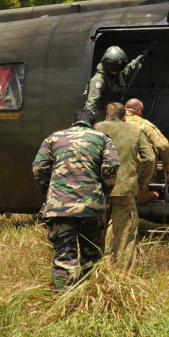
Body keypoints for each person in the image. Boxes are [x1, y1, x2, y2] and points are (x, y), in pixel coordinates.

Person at [31, 109, 119, 290]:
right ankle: (89, 296)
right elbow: (111, 168)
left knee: (64, 256)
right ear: (93, 125)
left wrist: (49, 190)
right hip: (91, 207)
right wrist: (103, 191)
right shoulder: (103, 139)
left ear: (73, 123)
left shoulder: (53, 138)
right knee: (92, 254)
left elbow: (38, 167)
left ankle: (64, 300)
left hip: (59, 206)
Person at [93, 102, 155, 272]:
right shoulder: (135, 131)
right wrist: (141, 183)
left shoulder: (96, 128)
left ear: (107, 116)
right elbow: (149, 159)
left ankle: (97, 270)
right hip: (125, 188)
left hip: (98, 189)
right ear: (124, 117)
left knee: (97, 232)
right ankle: (123, 276)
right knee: (125, 233)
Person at [125, 97, 169, 197]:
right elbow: (163, 146)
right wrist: (166, 165)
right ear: (139, 111)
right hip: (137, 169)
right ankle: (142, 192)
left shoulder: (113, 123)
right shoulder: (144, 124)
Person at [83, 45, 148, 117]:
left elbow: (129, 68)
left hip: (115, 113)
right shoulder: (98, 80)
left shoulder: (117, 73)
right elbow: (92, 102)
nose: (117, 72)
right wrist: (87, 120)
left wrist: (138, 59)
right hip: (103, 115)